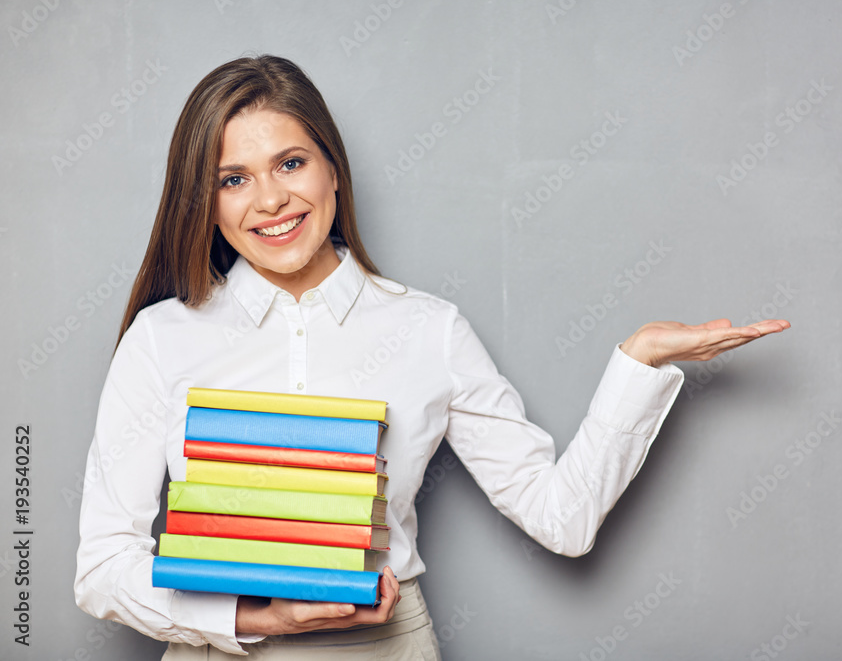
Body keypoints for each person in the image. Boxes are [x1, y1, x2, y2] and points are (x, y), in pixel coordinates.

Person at [74, 55, 789, 660]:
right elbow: (103, 566)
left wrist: (637, 364)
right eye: (234, 179)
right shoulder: (162, 338)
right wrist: (252, 617)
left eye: (291, 163)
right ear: (206, 203)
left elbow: (561, 519)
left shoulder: (428, 330)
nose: (270, 199)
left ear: (332, 170)